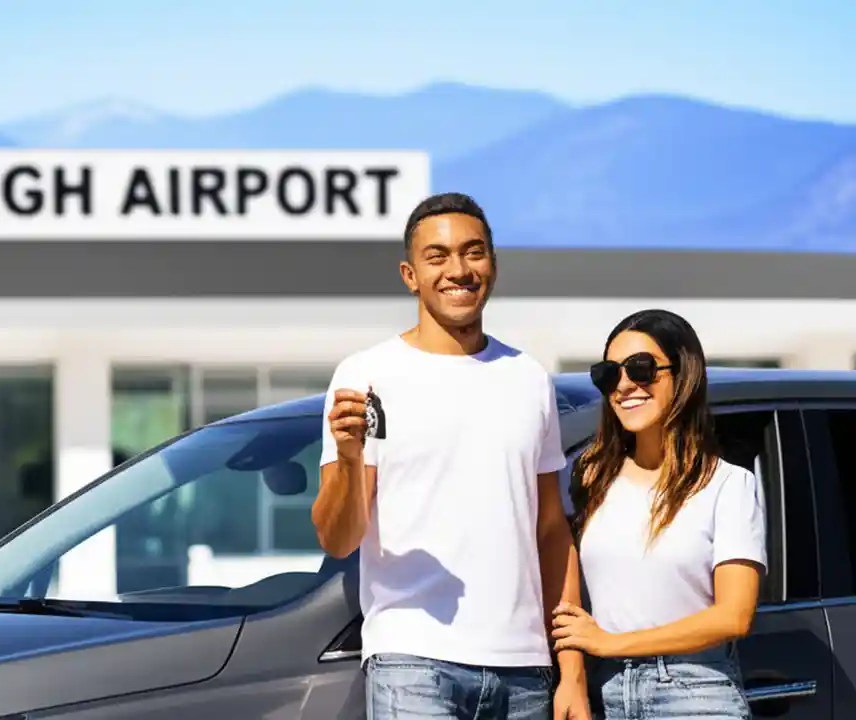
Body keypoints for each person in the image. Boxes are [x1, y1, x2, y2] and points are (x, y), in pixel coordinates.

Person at [312, 192, 591, 719]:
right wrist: (349, 461)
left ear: (492, 263)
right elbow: (339, 537)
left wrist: (570, 668)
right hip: (413, 663)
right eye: (437, 257)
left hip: (526, 670)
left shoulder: (529, 379)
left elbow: (552, 530)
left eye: (473, 252)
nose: (458, 270)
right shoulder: (365, 375)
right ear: (410, 275)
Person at [551, 309, 766, 719]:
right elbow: (567, 588)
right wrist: (574, 674)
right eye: (609, 374)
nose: (624, 385)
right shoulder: (590, 477)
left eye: (641, 368)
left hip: (695, 691)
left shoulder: (727, 485)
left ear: (681, 374)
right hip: (606, 692)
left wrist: (610, 643)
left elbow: (734, 616)